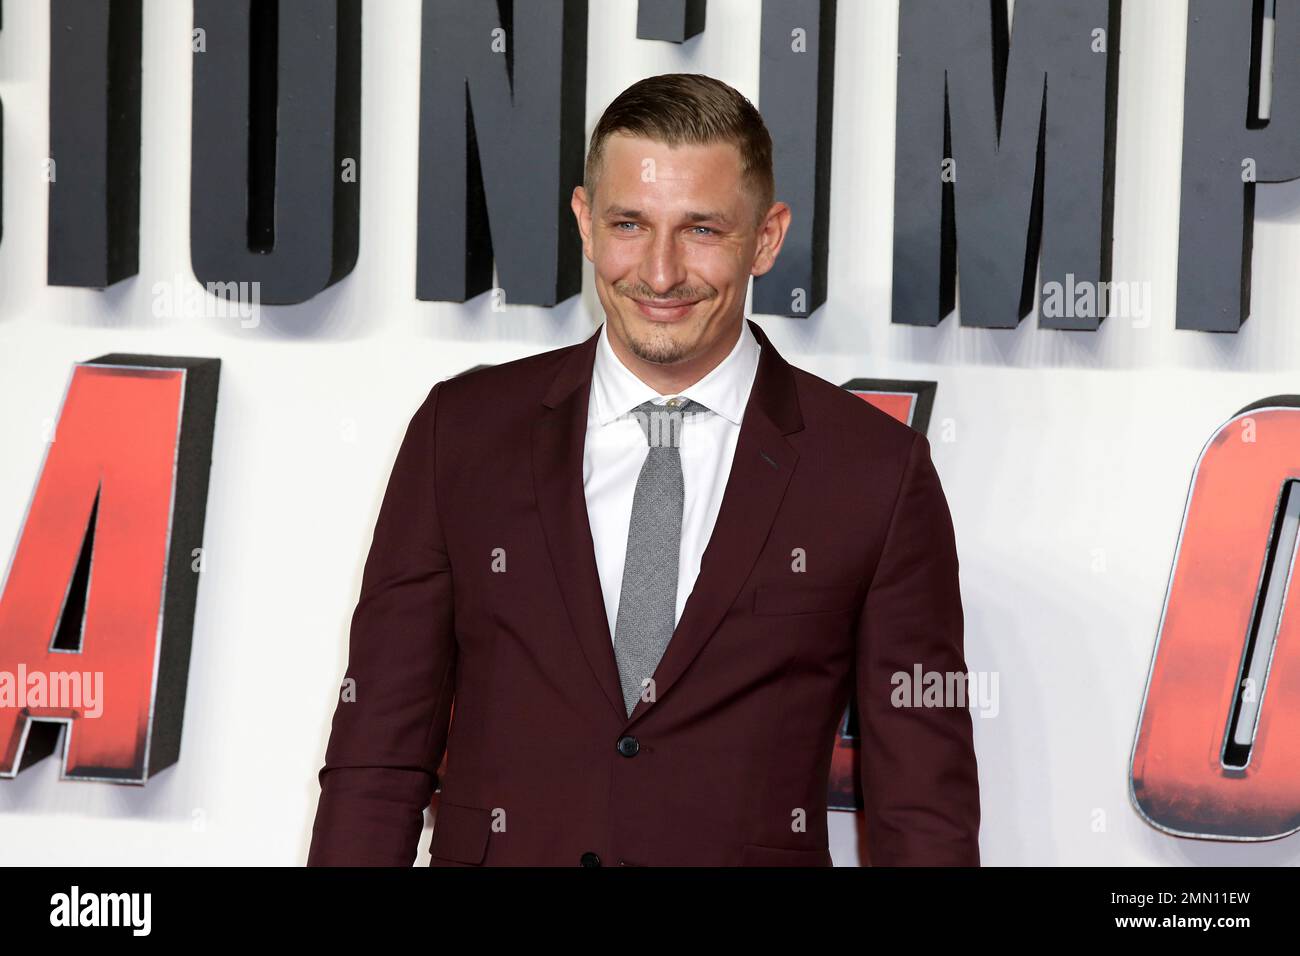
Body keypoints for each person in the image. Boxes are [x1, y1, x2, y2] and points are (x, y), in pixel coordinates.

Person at [307, 73, 979, 866]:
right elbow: (377, 761)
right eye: (630, 223)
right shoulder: (462, 437)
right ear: (586, 223)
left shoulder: (873, 474)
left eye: (701, 230)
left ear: (766, 237)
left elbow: (922, 809)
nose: (659, 274)